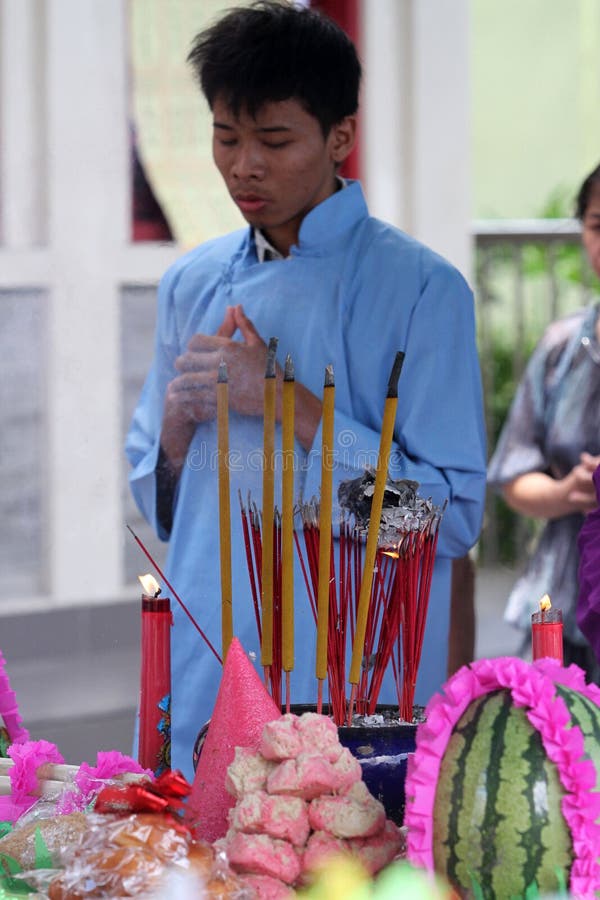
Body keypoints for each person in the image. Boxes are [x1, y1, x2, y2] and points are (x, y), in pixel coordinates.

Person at [126, 0, 487, 779]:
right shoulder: (191, 282)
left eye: (274, 140)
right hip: (205, 663)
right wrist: (179, 433)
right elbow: (158, 502)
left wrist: (290, 405)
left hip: (350, 682)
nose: (243, 166)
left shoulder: (423, 290)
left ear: (340, 138)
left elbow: (445, 523)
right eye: (226, 137)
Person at [488, 161, 600, 681]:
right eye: (599, 226)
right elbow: (513, 475)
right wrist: (569, 493)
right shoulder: (563, 347)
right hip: (566, 594)